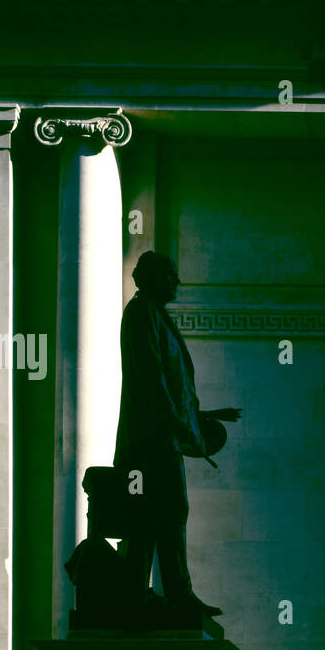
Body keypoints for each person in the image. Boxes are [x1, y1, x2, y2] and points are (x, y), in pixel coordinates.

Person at [114, 251, 241, 618]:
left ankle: (158, 592)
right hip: (150, 441)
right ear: (150, 278)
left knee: (163, 513)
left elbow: (169, 387)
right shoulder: (141, 315)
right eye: (169, 275)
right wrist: (181, 423)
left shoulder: (156, 316)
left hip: (161, 437)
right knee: (160, 513)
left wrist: (201, 416)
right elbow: (151, 379)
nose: (176, 282)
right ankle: (164, 594)